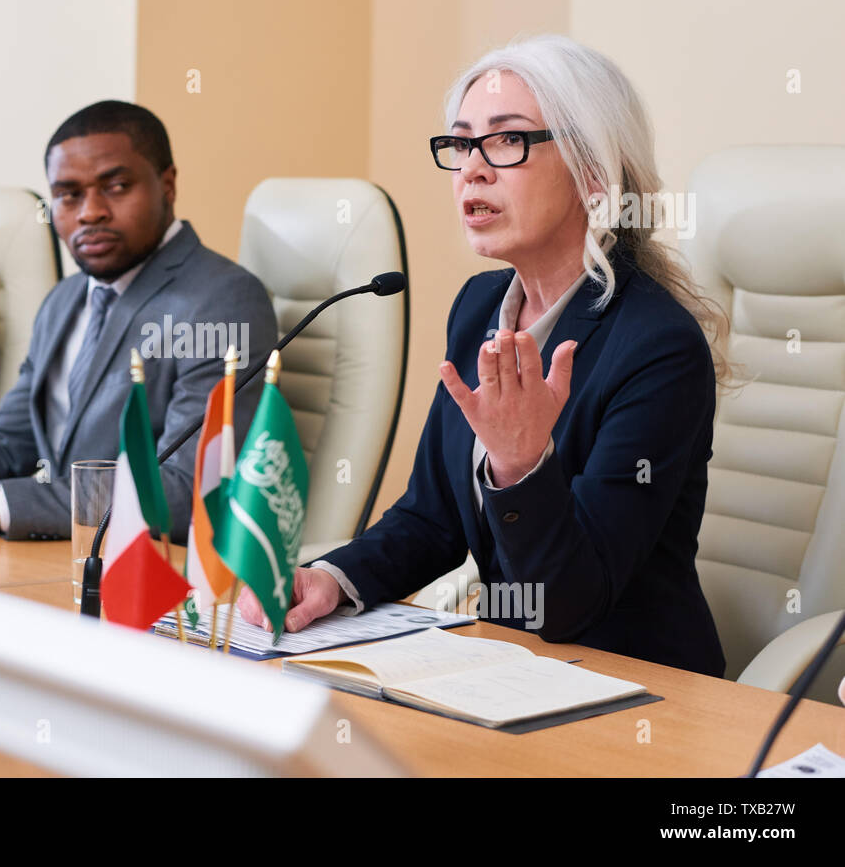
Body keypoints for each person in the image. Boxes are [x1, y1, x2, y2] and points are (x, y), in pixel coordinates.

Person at [240, 35, 731, 677]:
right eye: (460, 143)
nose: (472, 169)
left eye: (505, 141)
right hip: (506, 672)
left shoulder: (656, 347)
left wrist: (523, 464)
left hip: (636, 688)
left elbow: (567, 607)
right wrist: (334, 577)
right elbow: (432, 515)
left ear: (594, 171)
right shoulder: (479, 306)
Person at [0, 100, 277, 540]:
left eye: (117, 186)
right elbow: (9, 440)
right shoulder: (64, 299)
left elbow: (184, 490)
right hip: (63, 556)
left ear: (168, 184)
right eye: (68, 195)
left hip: (159, 579)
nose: (90, 212)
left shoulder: (222, 300)